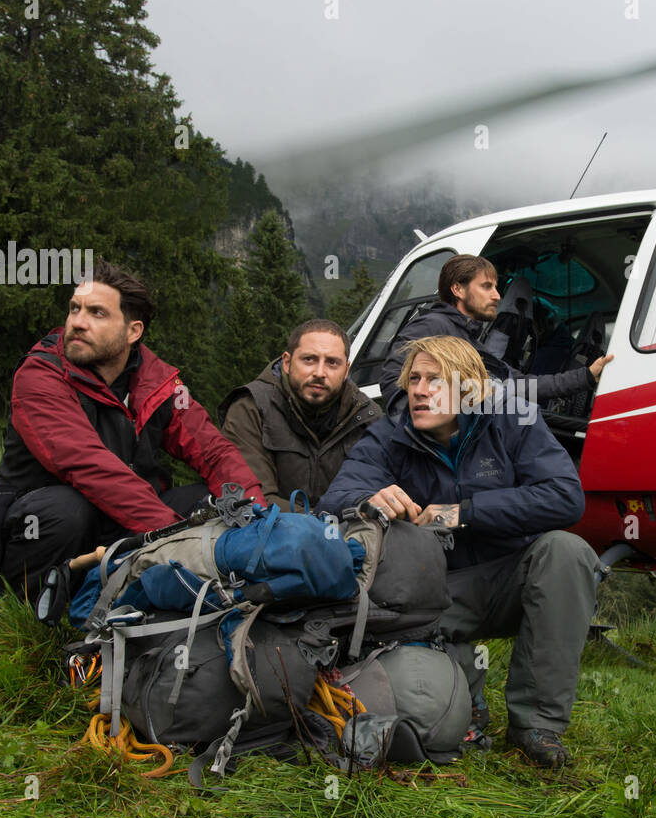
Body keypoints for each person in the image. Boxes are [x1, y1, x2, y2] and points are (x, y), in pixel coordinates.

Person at [321, 335, 600, 767]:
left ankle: (536, 726)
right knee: (444, 712)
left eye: (436, 379)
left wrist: (461, 513)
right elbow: (334, 497)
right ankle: (467, 700)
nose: (419, 389)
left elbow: (566, 497)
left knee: (568, 552)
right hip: (432, 596)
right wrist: (369, 499)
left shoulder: (514, 419)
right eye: (414, 379)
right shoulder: (389, 435)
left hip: (510, 578)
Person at [0, 260, 265, 606]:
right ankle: (31, 612)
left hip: (119, 520)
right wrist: (173, 537)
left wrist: (255, 518)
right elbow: (89, 465)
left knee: (207, 502)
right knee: (67, 511)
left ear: (132, 331)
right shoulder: (41, 376)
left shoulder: (157, 381)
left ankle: (155, 601)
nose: (77, 322)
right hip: (41, 528)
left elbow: (214, 451)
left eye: (96, 313)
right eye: (74, 309)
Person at [377, 254, 613, 406]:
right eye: (487, 287)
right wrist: (426, 432)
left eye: (496, 288)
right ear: (458, 289)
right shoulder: (434, 325)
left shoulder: (472, 341)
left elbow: (521, 384)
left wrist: (585, 376)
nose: (497, 296)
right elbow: (392, 379)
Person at [218, 319, 380, 512]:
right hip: (269, 535)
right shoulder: (252, 408)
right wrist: (318, 525)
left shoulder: (367, 418)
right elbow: (253, 501)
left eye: (332, 363)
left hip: (349, 536)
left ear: (346, 370)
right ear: (287, 362)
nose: (320, 372)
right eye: (309, 359)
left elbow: (377, 495)